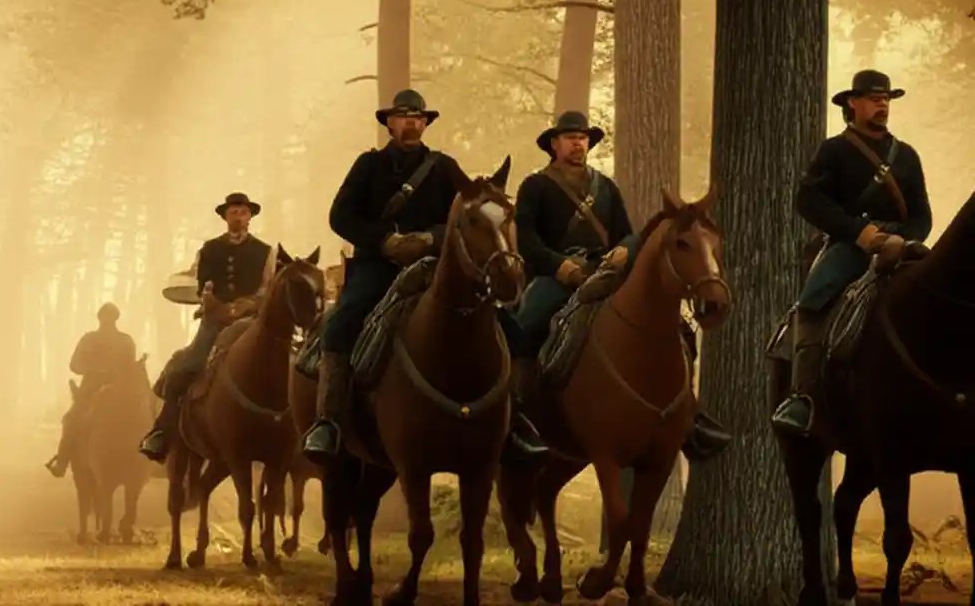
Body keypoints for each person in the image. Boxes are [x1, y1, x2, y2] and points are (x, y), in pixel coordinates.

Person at [299, 88, 549, 469]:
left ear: (425, 123)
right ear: (390, 124)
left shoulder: (444, 167)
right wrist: (384, 241)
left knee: (508, 328)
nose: (411, 123)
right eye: (403, 117)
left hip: (433, 268)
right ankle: (329, 422)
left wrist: (428, 239)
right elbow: (341, 217)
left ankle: (516, 422)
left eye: (417, 117)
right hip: (377, 267)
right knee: (340, 324)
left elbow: (461, 218)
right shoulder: (368, 166)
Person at [514, 111, 731, 460]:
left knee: (678, 328)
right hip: (554, 277)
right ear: (554, 144)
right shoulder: (535, 187)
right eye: (570, 137)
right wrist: (561, 267)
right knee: (526, 323)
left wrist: (621, 253)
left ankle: (690, 414)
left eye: (582, 137)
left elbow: (627, 234)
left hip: (603, 273)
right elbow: (528, 242)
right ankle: (518, 416)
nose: (577, 143)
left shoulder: (605, 188)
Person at [771, 69, 932, 436]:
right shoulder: (834, 150)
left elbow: (922, 215)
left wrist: (902, 239)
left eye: (886, 98)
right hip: (850, 245)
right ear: (853, 104)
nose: (881, 104)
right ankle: (802, 397)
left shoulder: (906, 156)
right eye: (874, 98)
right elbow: (810, 202)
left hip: (901, 246)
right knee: (812, 300)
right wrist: (861, 234)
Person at [138, 192, 276, 462]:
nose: (238, 217)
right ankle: (162, 431)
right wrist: (214, 304)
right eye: (233, 212)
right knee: (188, 364)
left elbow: (267, 287)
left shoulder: (266, 252)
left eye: (243, 212)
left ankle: (296, 433)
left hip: (251, 319)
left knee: (284, 364)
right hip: (215, 318)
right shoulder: (208, 250)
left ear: (250, 217)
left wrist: (250, 304)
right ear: (225, 217)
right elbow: (203, 287)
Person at [44, 302, 141, 477]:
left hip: (118, 389)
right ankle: (62, 461)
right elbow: (74, 365)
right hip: (91, 390)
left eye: (110, 318)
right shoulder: (89, 339)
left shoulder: (125, 341)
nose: (107, 322)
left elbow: (131, 368)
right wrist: (92, 367)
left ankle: (146, 460)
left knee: (143, 417)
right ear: (100, 319)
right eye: (105, 318)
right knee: (72, 420)